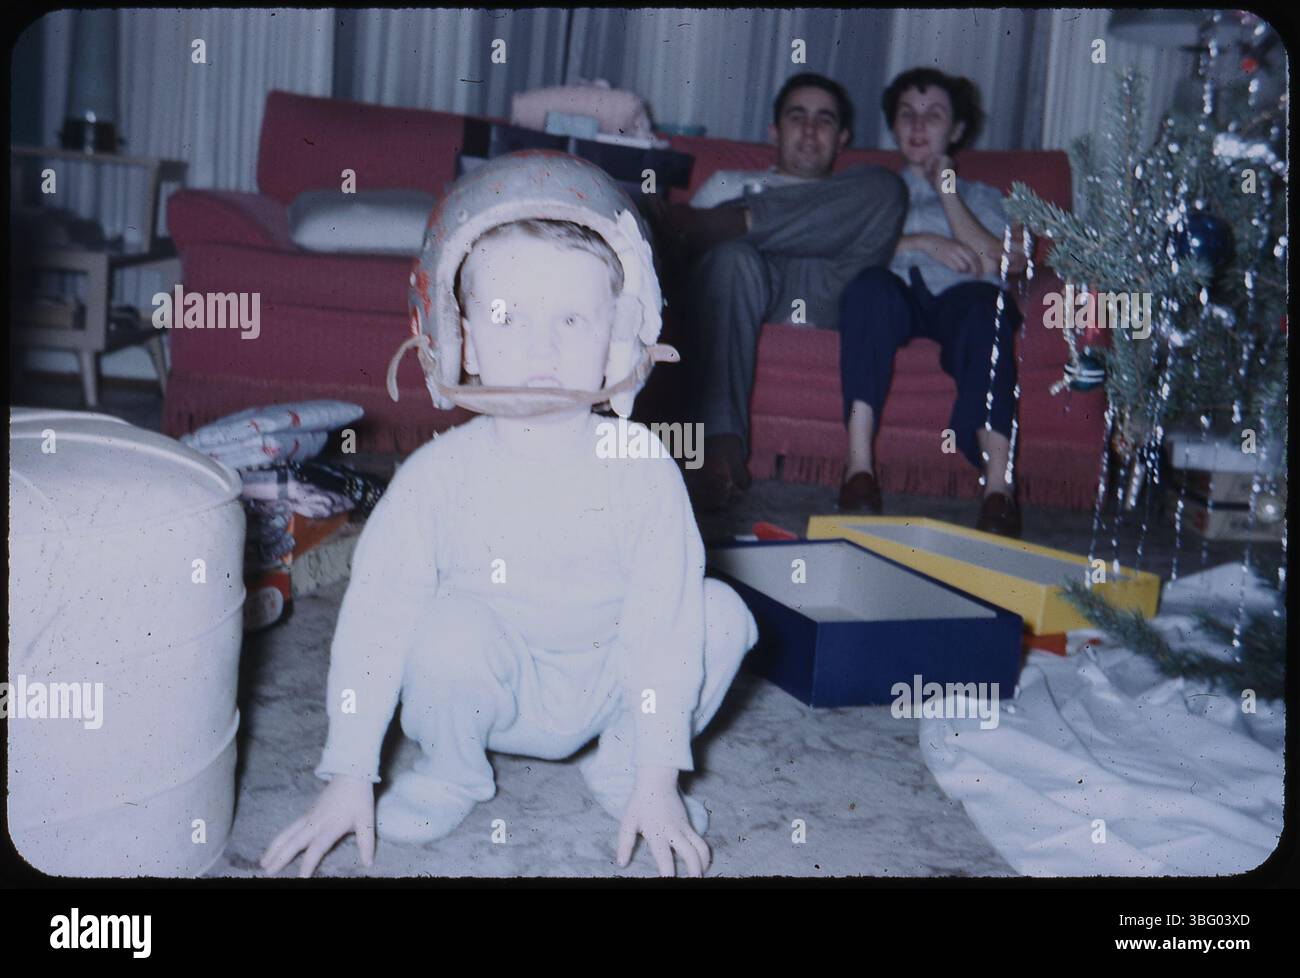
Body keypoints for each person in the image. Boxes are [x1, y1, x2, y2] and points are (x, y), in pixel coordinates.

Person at [259, 152, 758, 879]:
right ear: (458, 336)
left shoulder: (645, 472)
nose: (542, 346)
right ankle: (453, 771)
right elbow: (376, 620)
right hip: (487, 686)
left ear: (622, 338)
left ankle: (624, 773)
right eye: (506, 316)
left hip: (610, 687)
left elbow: (666, 632)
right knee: (442, 628)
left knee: (719, 614)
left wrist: (658, 775)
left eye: (572, 318)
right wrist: (347, 776)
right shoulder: (435, 478)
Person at [641, 73, 907, 511]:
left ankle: (732, 224)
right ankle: (721, 450)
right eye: (796, 116)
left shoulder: (853, 191)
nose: (808, 129)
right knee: (730, 260)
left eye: (824, 120)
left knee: (887, 187)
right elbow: (689, 275)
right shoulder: (729, 183)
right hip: (742, 288)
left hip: (825, 287)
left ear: (842, 139)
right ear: (774, 131)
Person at [835, 68, 1029, 536]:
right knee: (866, 291)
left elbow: (1006, 266)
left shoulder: (988, 197)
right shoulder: (873, 189)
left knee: (989, 309)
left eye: (933, 115)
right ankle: (858, 470)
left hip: (962, 299)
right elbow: (843, 250)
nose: (918, 126)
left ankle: (998, 488)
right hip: (893, 294)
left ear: (957, 129)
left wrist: (948, 192)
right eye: (907, 115)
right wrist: (920, 241)